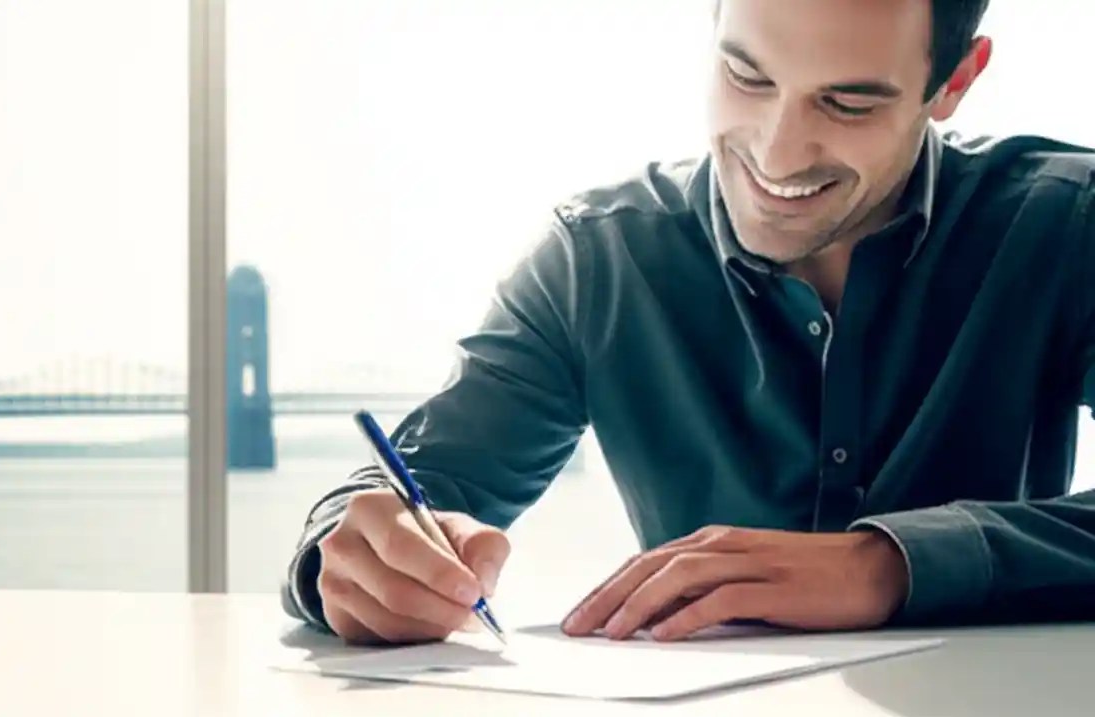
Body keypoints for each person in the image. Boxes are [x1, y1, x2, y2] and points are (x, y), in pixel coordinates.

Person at [281, 0, 1095, 645]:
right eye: (746, 76)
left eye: (847, 104)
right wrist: (351, 555)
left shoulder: (1065, 225)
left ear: (954, 81)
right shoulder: (596, 259)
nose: (779, 154)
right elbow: (418, 487)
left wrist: (886, 567)